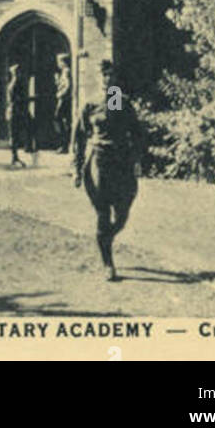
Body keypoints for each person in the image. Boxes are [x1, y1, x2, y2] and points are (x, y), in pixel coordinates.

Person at [72, 58, 145, 282]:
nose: (107, 79)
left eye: (110, 75)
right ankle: (108, 263)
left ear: (115, 77)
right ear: (98, 77)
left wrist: (136, 160)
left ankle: (105, 239)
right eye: (103, 75)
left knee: (122, 214)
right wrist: (76, 168)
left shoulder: (119, 102)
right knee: (103, 213)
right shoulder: (90, 104)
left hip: (121, 162)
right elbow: (78, 138)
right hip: (99, 164)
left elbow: (137, 134)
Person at [6, 62, 28, 168]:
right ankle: (13, 158)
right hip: (14, 112)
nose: (20, 74)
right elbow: (15, 100)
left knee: (15, 135)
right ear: (16, 73)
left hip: (13, 111)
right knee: (13, 135)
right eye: (18, 72)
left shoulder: (13, 83)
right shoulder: (14, 84)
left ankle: (15, 157)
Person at [54, 53, 72, 153]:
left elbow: (68, 86)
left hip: (64, 100)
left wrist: (60, 94)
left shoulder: (66, 71)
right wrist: (57, 80)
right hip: (62, 99)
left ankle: (64, 144)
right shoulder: (63, 72)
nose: (58, 64)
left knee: (58, 119)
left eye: (59, 61)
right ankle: (63, 144)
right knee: (61, 121)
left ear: (63, 62)